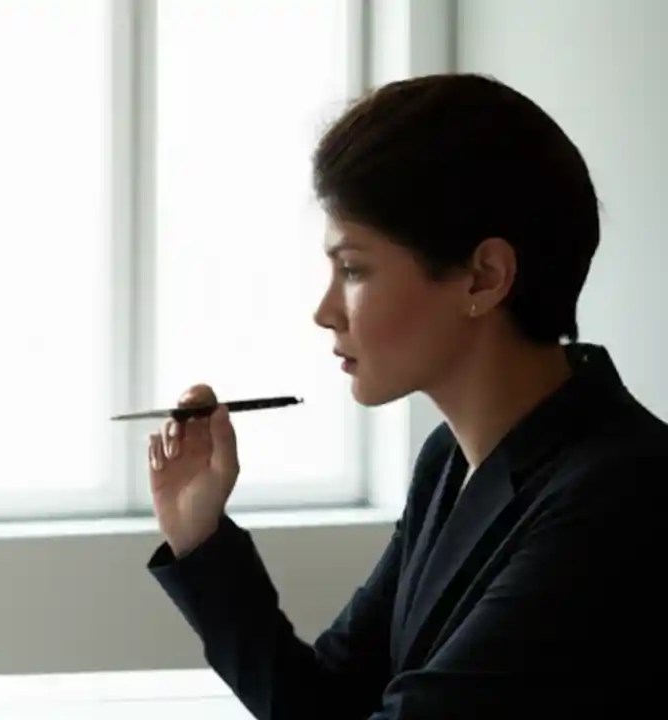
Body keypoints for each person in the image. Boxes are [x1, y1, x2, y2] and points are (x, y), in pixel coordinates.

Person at [145, 73, 668, 718]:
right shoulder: (450, 460)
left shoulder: (620, 494)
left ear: (484, 277)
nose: (324, 311)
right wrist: (200, 537)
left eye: (353, 269)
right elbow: (327, 704)